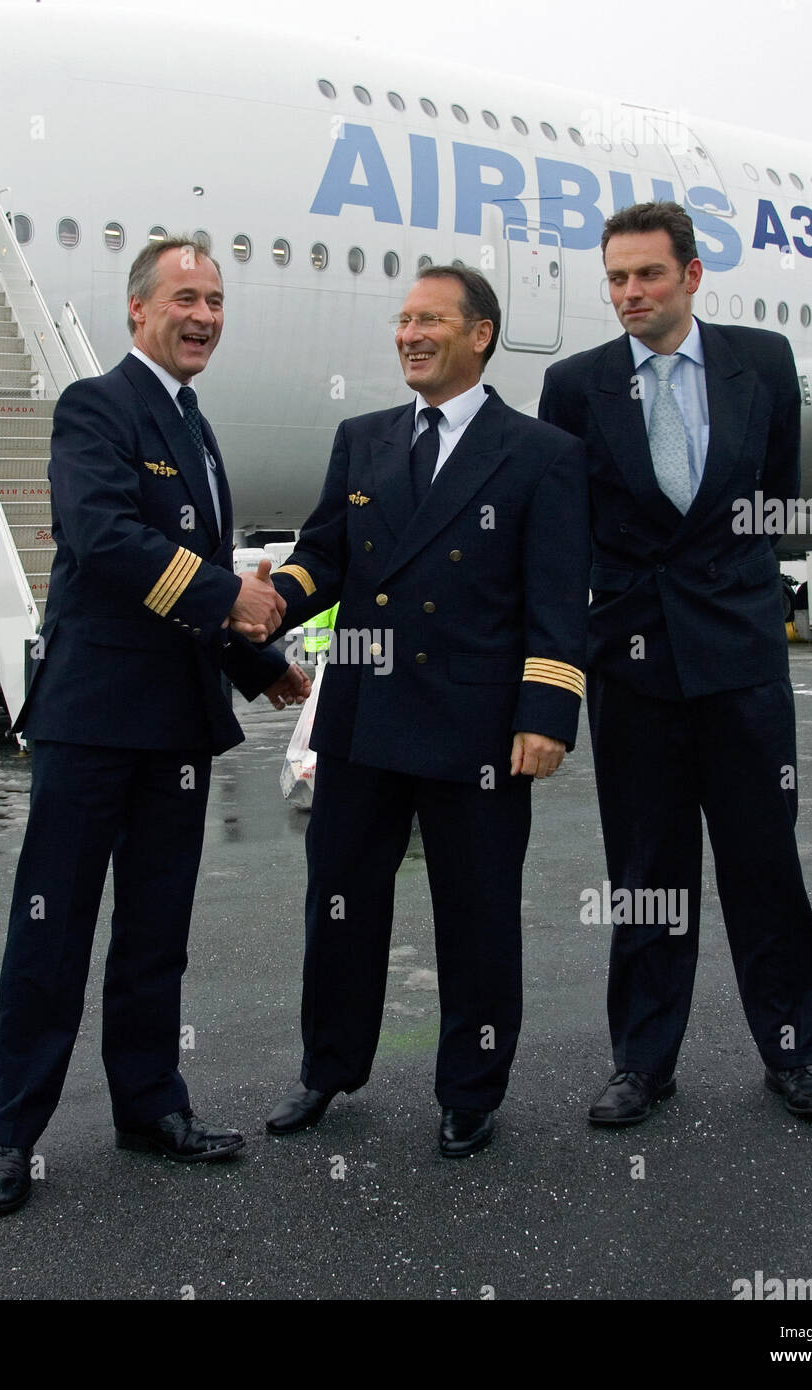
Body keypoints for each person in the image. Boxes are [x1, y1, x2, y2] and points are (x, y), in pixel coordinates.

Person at [0, 237, 309, 1214]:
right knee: (52, 929)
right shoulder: (97, 408)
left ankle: (149, 1105)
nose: (203, 316)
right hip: (91, 723)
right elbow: (103, 537)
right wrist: (231, 601)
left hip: (175, 729)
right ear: (137, 311)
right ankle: (9, 1133)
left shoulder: (195, 428)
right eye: (184, 299)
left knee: (156, 936)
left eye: (214, 300)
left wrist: (264, 667)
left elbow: (197, 584)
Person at [264, 266, 589, 1157]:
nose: (409, 334)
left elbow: (558, 598)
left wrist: (547, 713)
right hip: (365, 718)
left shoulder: (542, 455)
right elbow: (322, 556)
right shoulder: (361, 438)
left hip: (478, 728)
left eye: (430, 321)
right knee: (338, 904)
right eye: (403, 320)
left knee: (478, 915)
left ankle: (471, 1088)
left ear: (479, 335)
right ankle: (327, 1070)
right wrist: (264, 601)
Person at [539, 201, 812, 1125]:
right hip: (632, 665)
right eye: (617, 279)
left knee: (765, 862)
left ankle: (794, 1054)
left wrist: (737, 588)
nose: (630, 293)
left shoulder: (764, 362)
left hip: (740, 656)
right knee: (645, 870)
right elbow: (565, 525)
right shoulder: (574, 384)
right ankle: (643, 1060)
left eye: (648, 276)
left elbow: (775, 496)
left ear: (692, 276)